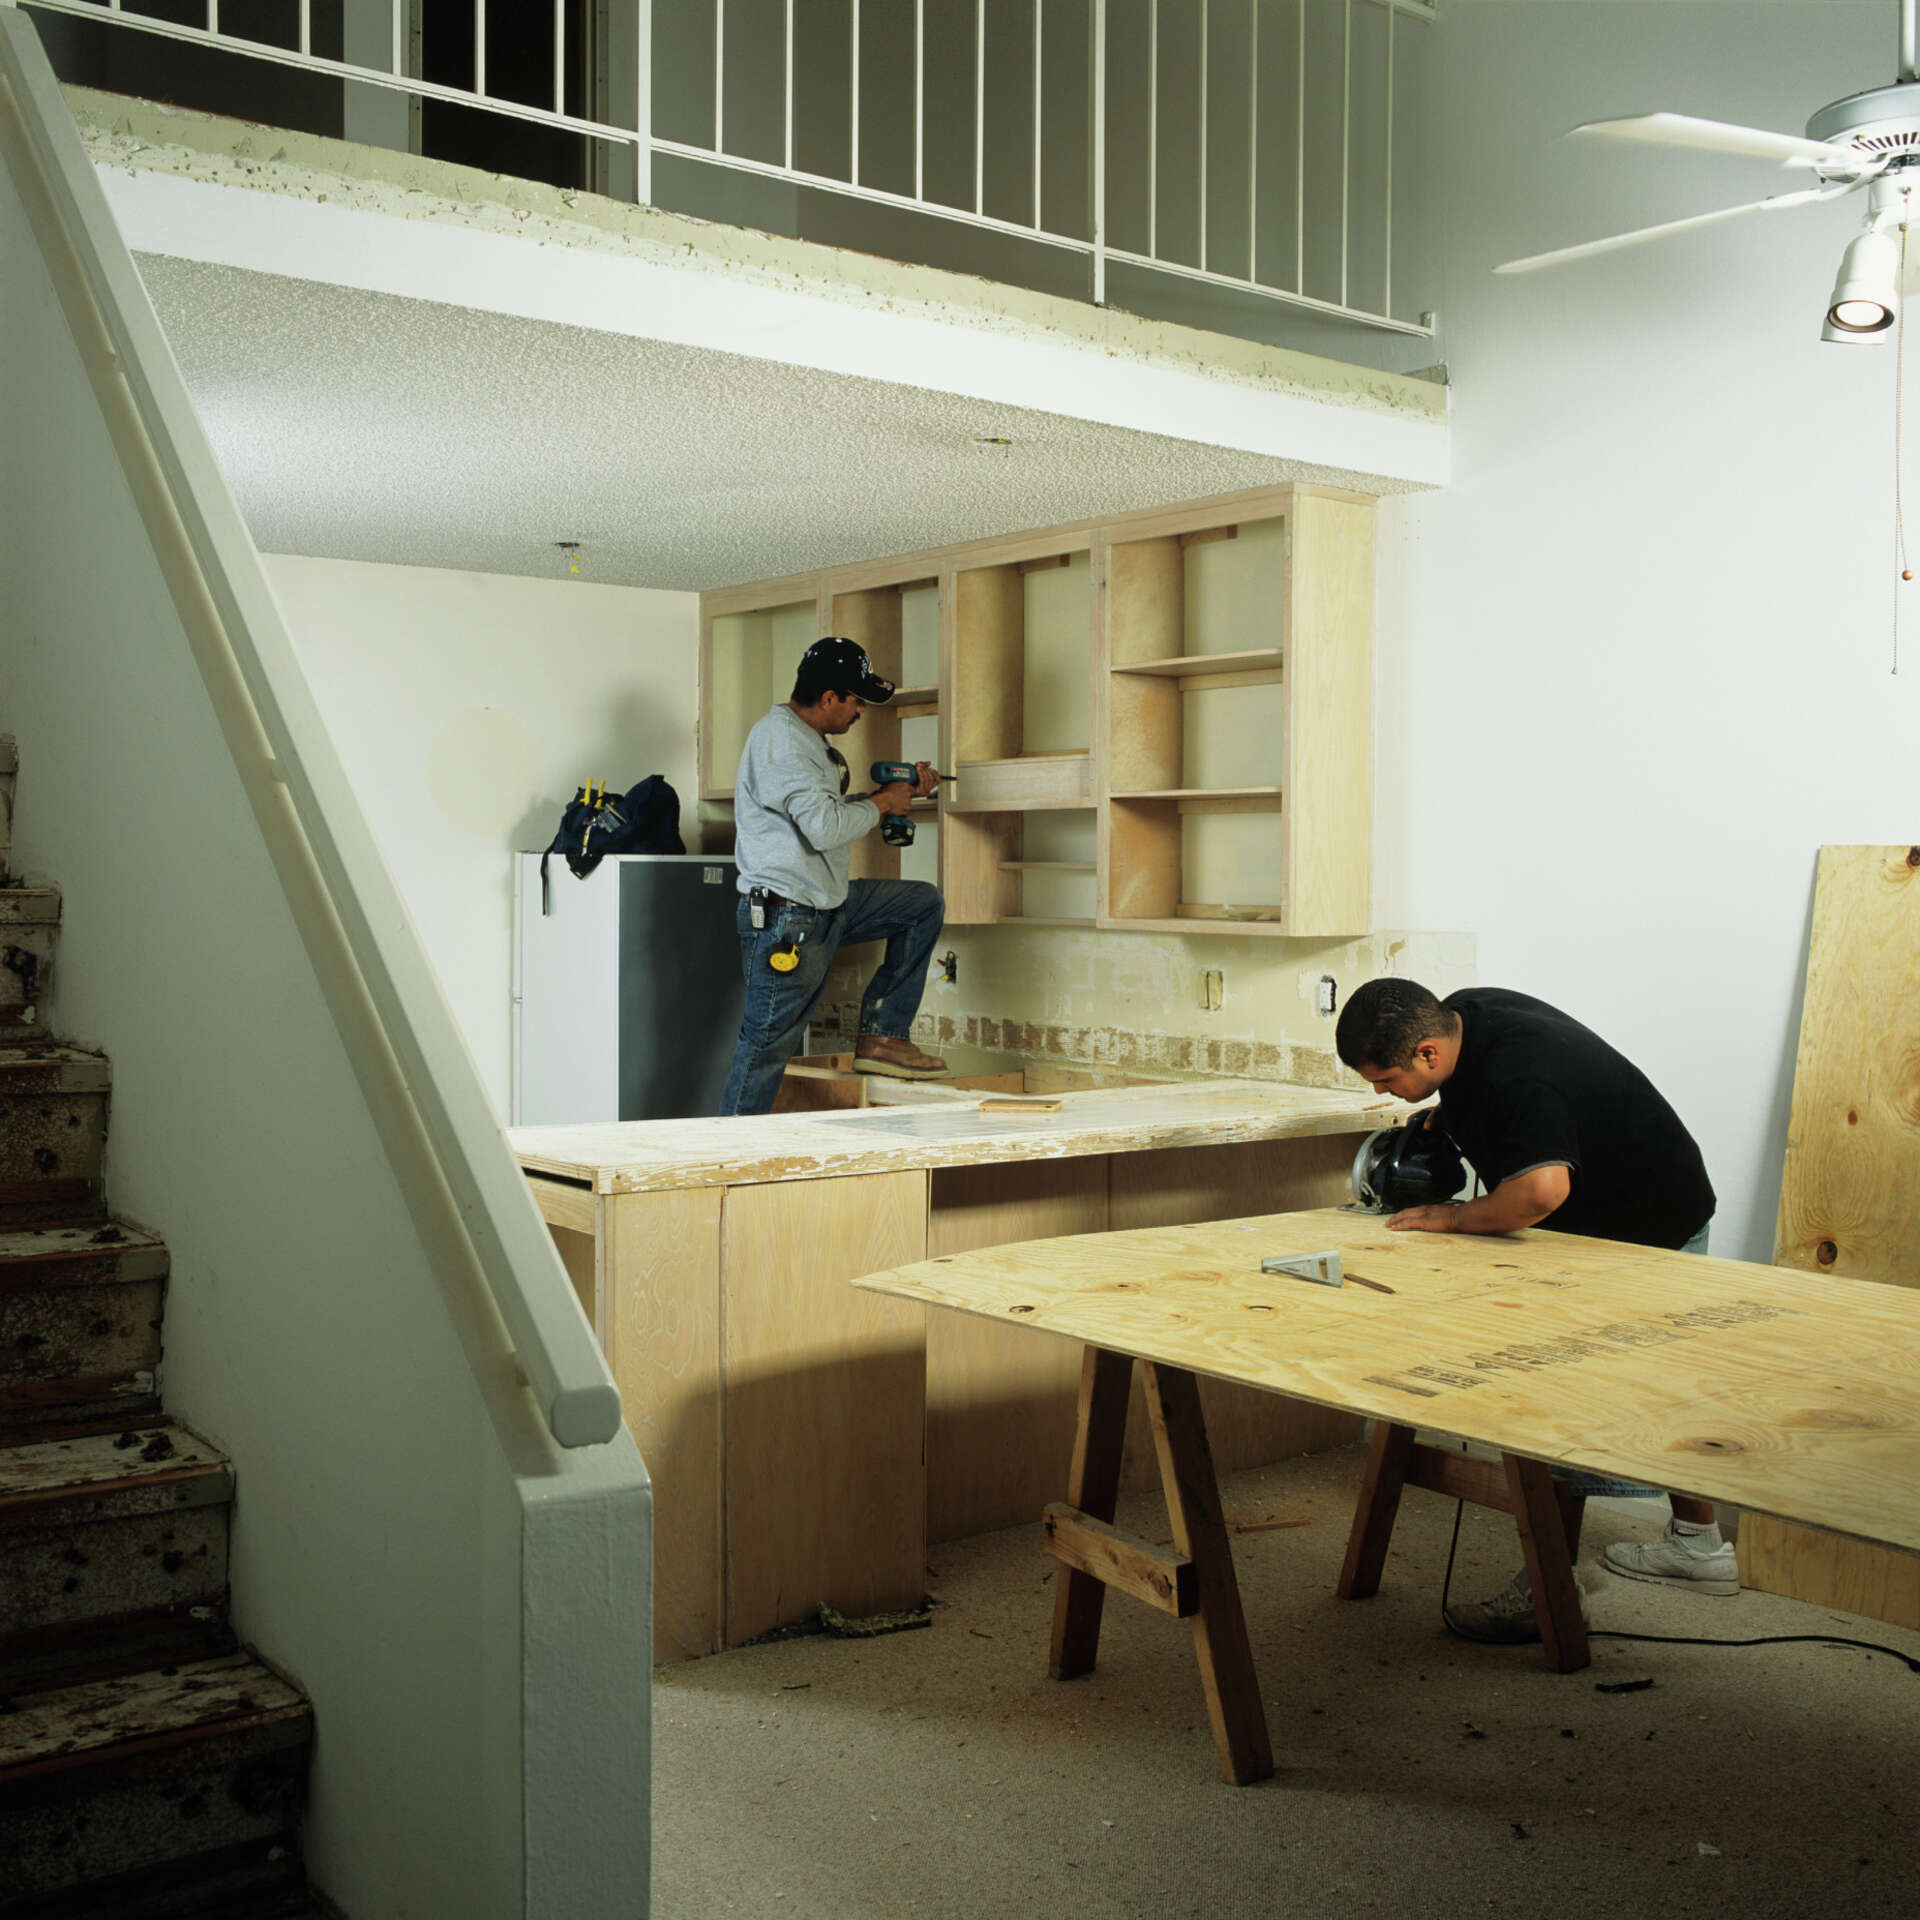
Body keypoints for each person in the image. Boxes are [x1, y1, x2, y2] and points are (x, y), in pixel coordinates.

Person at [1333, 978, 1735, 1644]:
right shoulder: (1468, 1015)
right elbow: (1498, 1102)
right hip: (1631, 1206)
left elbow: (1542, 1192)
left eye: (1386, 1079)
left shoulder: (1520, 1074)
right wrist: (1447, 1117)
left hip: (1647, 1227)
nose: (1380, 1092)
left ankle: (1547, 1595)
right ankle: (1698, 1546)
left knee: (1559, 1402)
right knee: (1655, 1390)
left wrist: (1454, 1217)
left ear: (1428, 1052)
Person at [718, 637, 949, 1117]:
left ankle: (883, 1038)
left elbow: (822, 814)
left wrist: (893, 794)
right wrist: (882, 803)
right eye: (856, 700)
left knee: (920, 904)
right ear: (828, 698)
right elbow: (823, 829)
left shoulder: (806, 741)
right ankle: (731, 1147)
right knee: (765, 1048)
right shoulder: (783, 743)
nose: (861, 710)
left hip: (825, 905)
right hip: (787, 920)